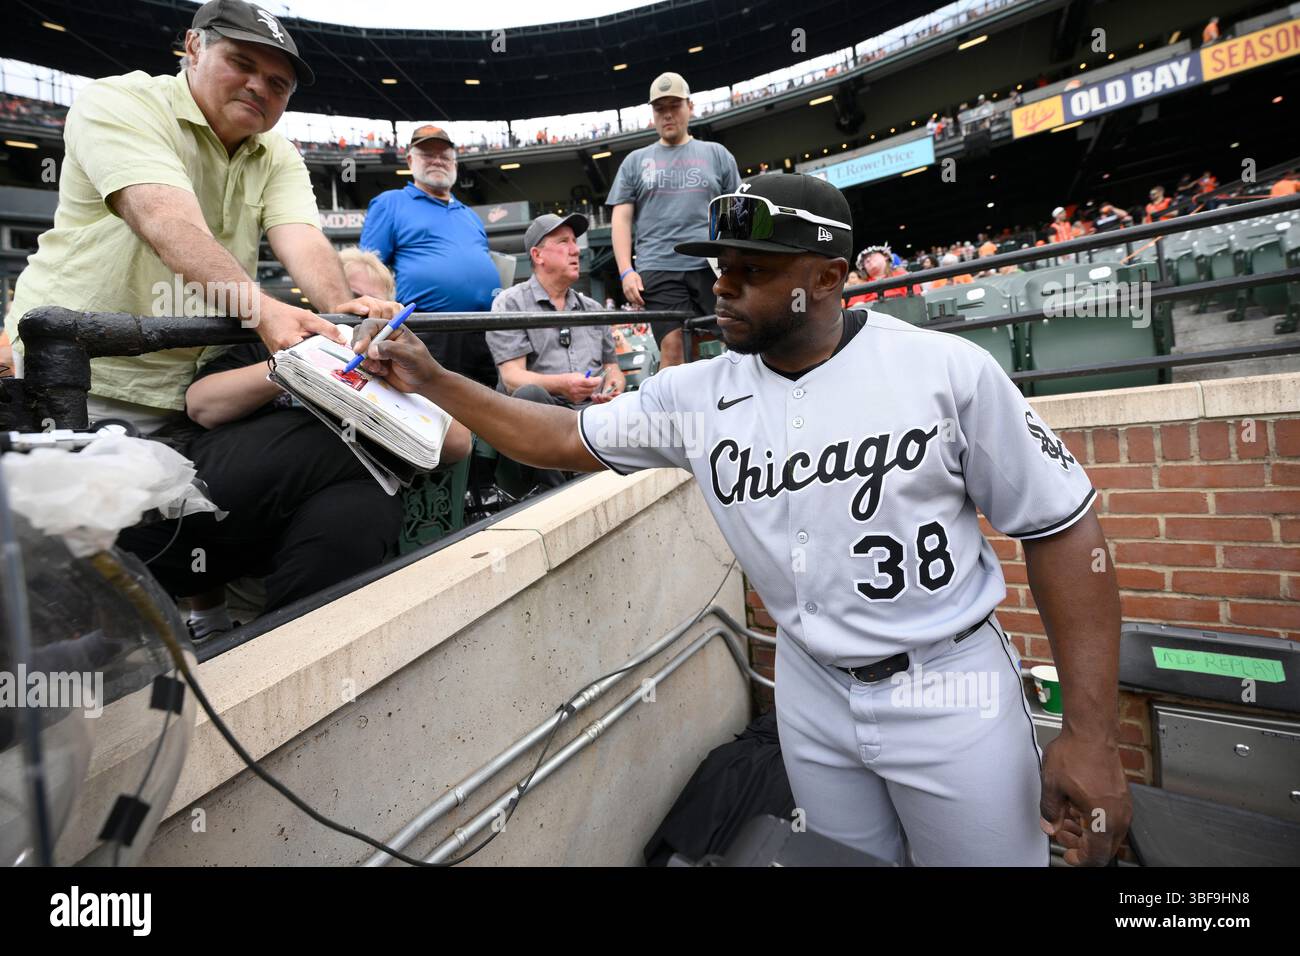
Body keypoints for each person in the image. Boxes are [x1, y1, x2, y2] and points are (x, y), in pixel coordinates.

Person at [348, 172, 1131, 867]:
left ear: (826, 278)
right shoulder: (695, 394)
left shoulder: (944, 371)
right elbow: (556, 436)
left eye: (751, 270)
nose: (721, 285)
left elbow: (1064, 531)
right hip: (810, 687)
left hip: (947, 684)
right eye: (720, 266)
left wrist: (1092, 738)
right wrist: (434, 377)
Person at [4, 0, 398, 435]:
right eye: (240, 63)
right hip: (83, 376)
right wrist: (263, 311)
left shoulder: (279, 153)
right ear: (193, 47)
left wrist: (341, 311)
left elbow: (302, 237)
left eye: (277, 83)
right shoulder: (122, 100)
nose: (258, 87)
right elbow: (167, 222)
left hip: (195, 392)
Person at [118, 247, 471, 633]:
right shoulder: (275, 337)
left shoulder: (399, 359)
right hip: (233, 493)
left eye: (370, 309)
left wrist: (394, 380)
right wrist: (296, 361)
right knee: (342, 456)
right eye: (346, 302)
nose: (353, 316)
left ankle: (278, 647)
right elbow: (203, 406)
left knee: (361, 513)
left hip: (329, 503)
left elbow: (457, 444)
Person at [607, 72, 740, 368]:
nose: (667, 114)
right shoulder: (634, 161)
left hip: (712, 264)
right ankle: (673, 416)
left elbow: (733, 212)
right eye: (659, 108)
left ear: (689, 107)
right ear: (652, 114)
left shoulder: (717, 154)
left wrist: (736, 261)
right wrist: (626, 271)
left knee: (731, 343)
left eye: (674, 105)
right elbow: (621, 219)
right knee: (674, 350)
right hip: (659, 267)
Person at [486, 213, 625, 488]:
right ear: (538, 255)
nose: (575, 250)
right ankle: (562, 492)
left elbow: (613, 369)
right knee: (528, 395)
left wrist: (612, 388)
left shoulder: (593, 309)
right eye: (563, 242)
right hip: (545, 418)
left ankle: (598, 484)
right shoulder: (510, 303)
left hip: (591, 415)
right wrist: (563, 385)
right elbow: (512, 378)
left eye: (575, 242)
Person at [360, 124, 500, 387]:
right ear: (410, 160)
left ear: (455, 164)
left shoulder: (469, 214)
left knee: (488, 412)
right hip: (429, 329)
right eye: (428, 154)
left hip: (485, 331)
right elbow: (368, 269)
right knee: (436, 415)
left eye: (445, 156)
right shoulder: (390, 202)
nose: (438, 161)